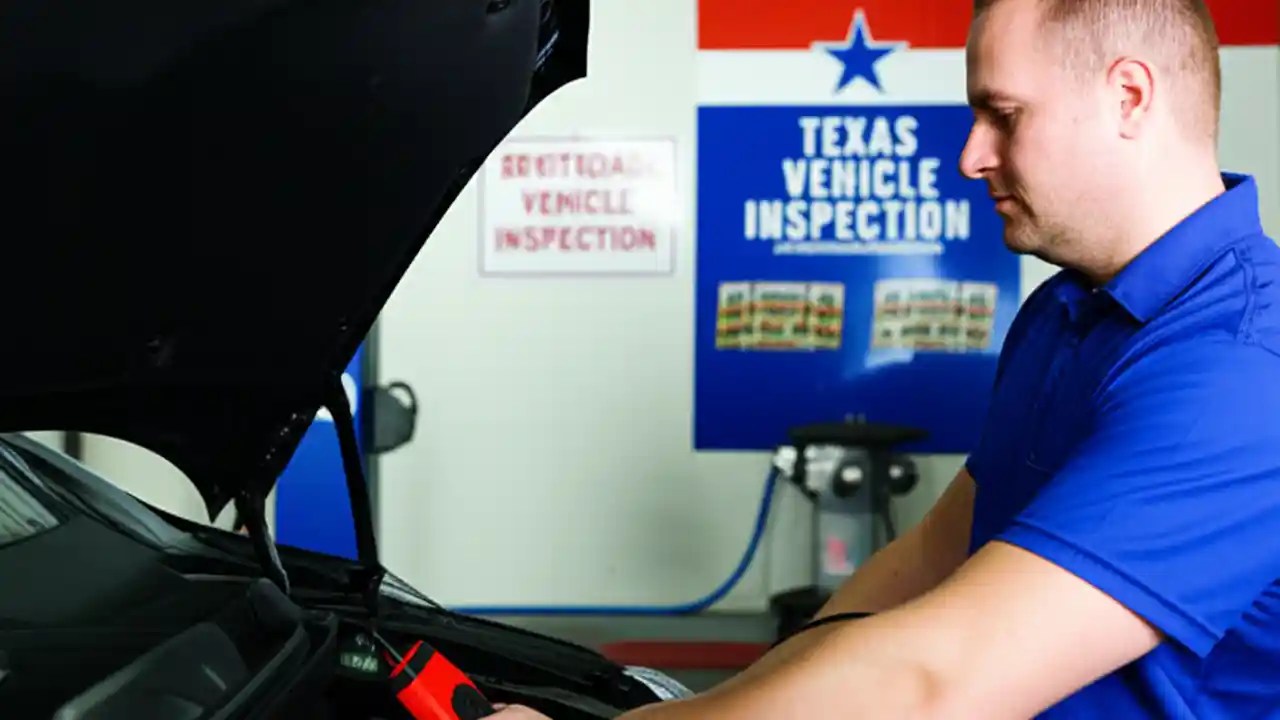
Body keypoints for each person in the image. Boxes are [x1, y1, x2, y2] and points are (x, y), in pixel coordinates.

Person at [494, 0, 1280, 716]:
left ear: (1130, 97)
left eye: (1003, 115)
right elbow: (931, 556)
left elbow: (940, 681)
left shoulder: (1244, 367)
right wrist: (738, 698)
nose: (971, 155)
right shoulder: (1064, 309)